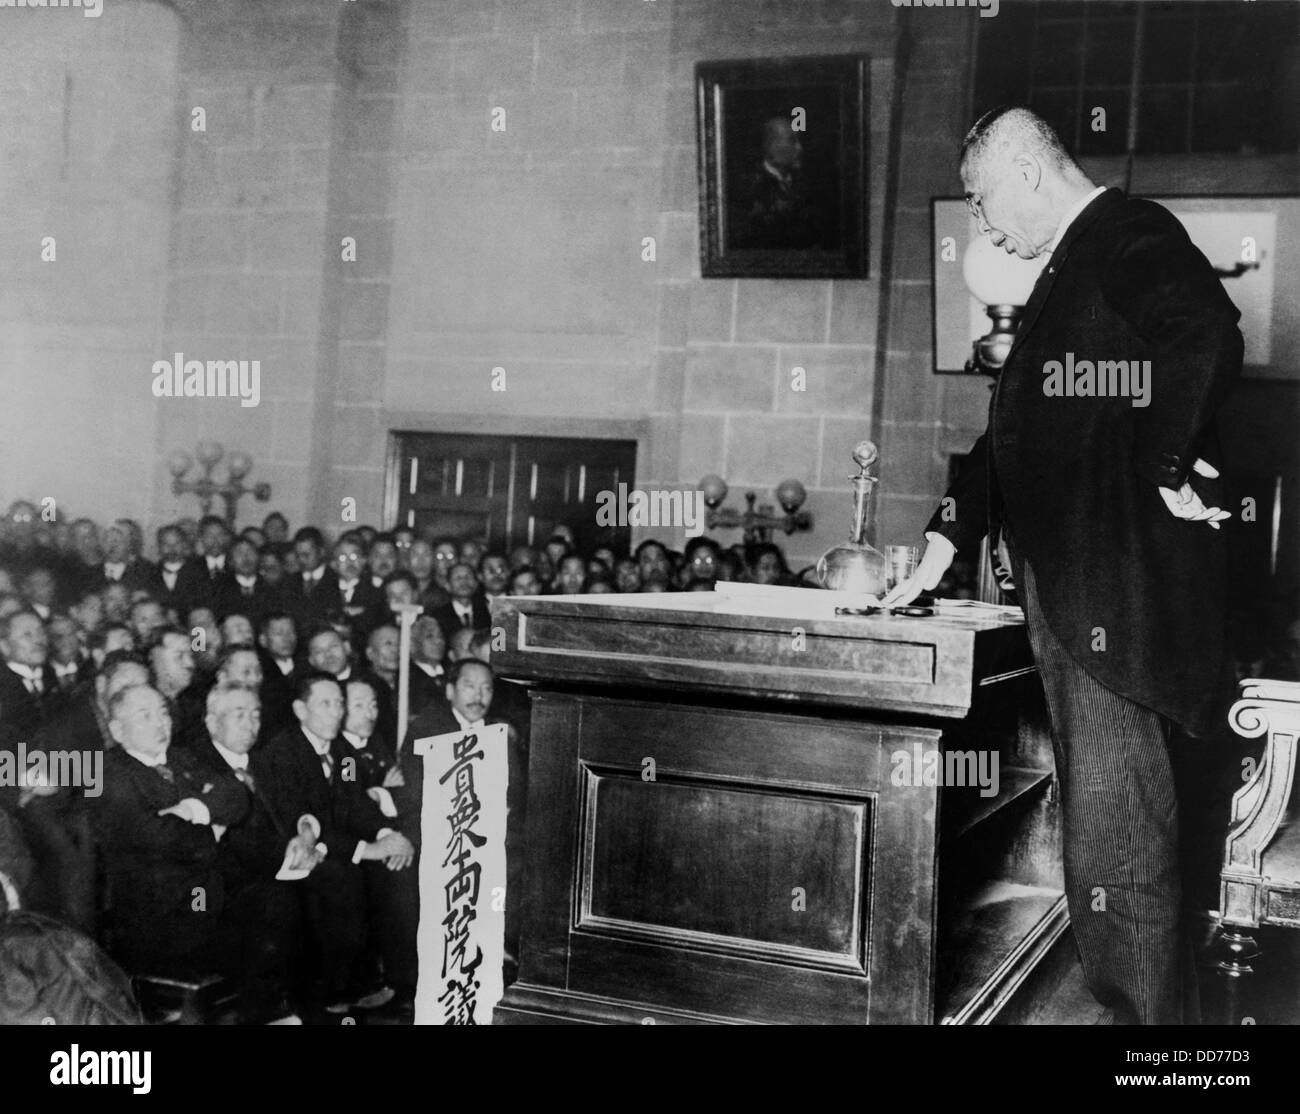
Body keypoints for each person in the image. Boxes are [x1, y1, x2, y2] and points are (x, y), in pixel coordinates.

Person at [884, 106, 1243, 1026]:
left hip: (1112, 611)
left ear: (1029, 173)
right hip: (1082, 606)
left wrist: (1168, 465)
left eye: (983, 198)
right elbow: (1014, 435)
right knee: (1108, 856)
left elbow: (1203, 328)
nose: (983, 222)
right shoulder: (1072, 268)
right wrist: (943, 542)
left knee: (1120, 860)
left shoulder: (1127, 233)